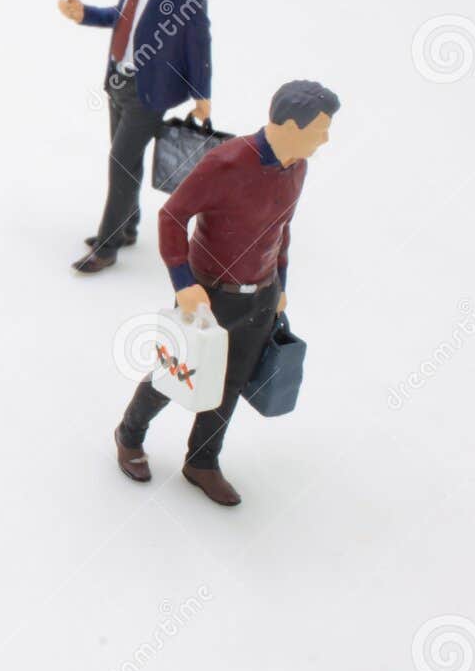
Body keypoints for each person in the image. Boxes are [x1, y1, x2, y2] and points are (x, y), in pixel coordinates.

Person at [113, 80, 339, 506]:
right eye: (320, 129)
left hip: (261, 296)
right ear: (292, 125)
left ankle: (202, 460)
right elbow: (172, 216)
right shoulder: (227, 162)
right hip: (208, 295)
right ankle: (129, 434)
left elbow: (282, 229)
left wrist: (280, 284)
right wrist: (184, 283)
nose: (325, 139)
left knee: (230, 383)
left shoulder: (297, 166)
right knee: (176, 371)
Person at [58, 0, 212, 274]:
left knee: (121, 162)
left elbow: (198, 41)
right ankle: (127, 226)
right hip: (119, 80)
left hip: (150, 90)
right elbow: (123, 15)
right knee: (125, 160)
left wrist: (202, 95)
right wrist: (85, 14)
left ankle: (107, 246)